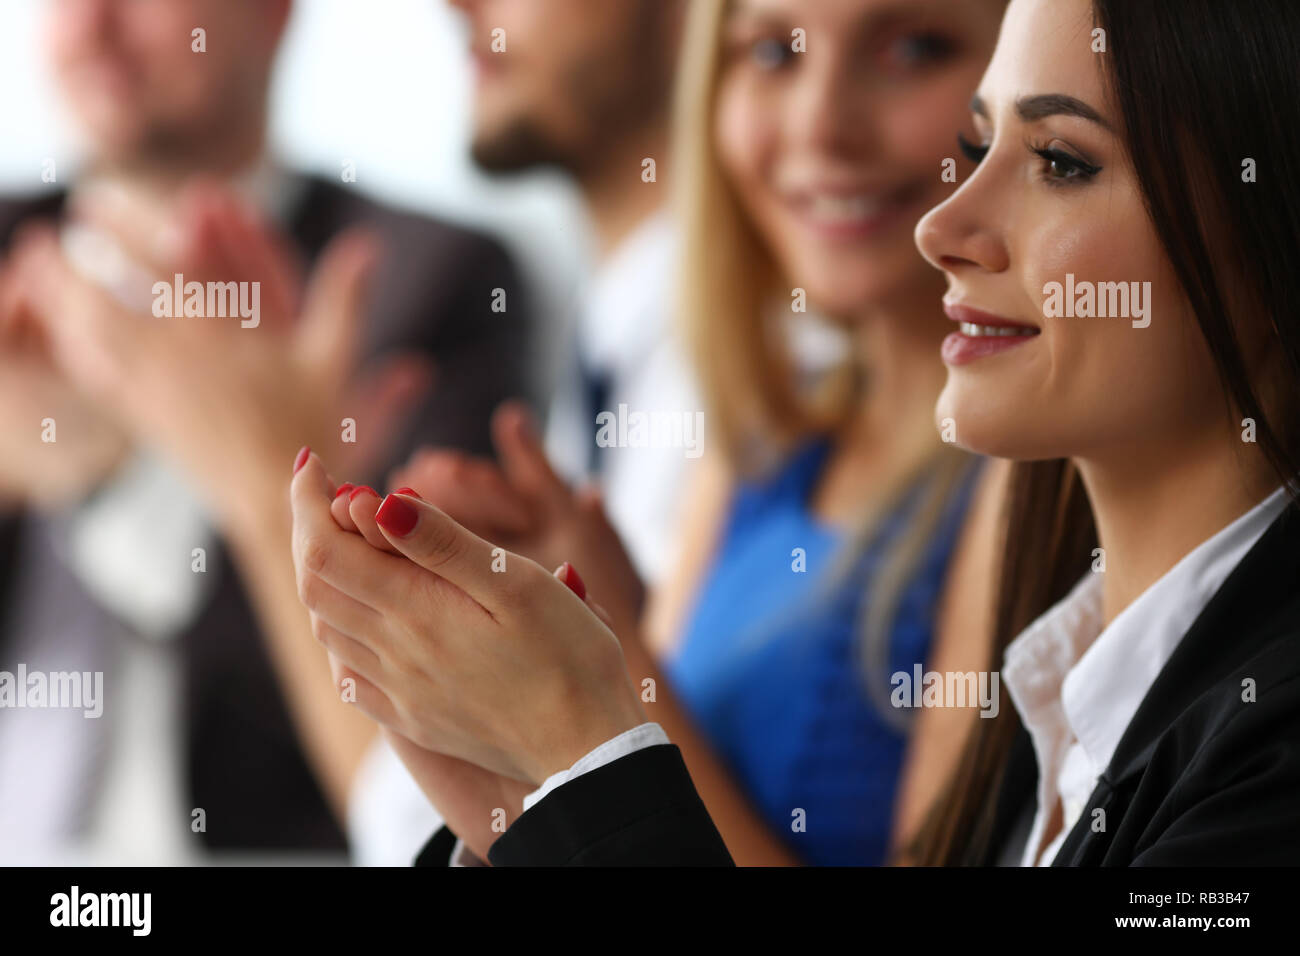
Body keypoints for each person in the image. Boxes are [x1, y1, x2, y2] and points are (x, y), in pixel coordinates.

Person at [289, 0, 1300, 866]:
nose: (943, 227)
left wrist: (586, 740)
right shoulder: (1069, 681)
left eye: (1062, 162)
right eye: (980, 144)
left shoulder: (1228, 719)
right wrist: (524, 804)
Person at [305, 0, 1011, 866]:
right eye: (774, 53)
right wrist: (586, 641)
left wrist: (603, 686)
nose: (822, 125)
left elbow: (639, 790)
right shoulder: (755, 449)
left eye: (913, 49)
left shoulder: (1015, 474)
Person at [0, 0, 529, 862]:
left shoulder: (425, 278)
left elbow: (439, 704)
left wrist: (138, 478)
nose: (91, 23)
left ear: (273, 14)